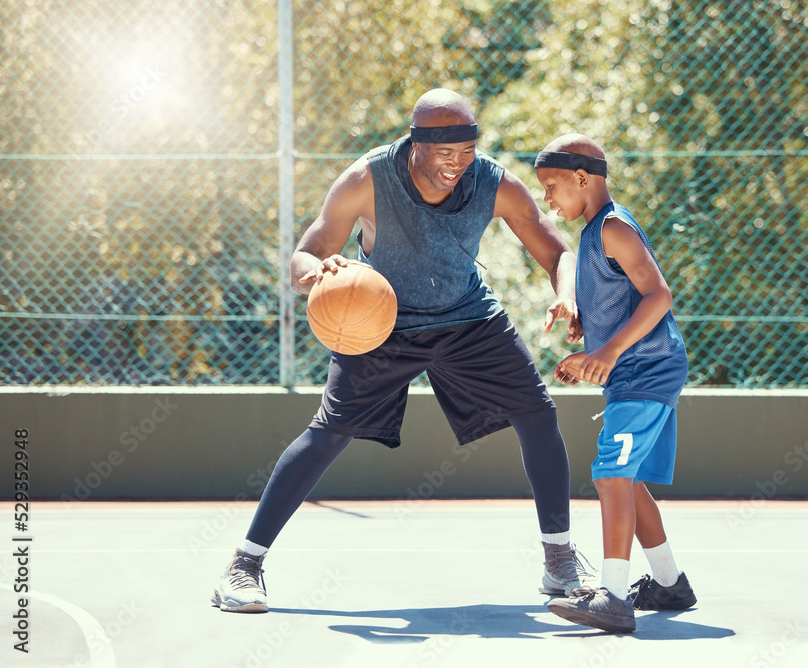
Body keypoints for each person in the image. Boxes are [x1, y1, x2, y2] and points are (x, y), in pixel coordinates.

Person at [211, 89, 590, 613]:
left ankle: (559, 561)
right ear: (416, 143)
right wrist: (315, 275)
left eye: (467, 151)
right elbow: (305, 253)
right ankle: (243, 565)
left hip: (468, 319)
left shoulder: (493, 181)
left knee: (538, 414)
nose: (457, 164)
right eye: (445, 153)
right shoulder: (366, 180)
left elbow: (556, 250)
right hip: (380, 324)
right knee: (329, 433)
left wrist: (567, 295)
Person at [534, 134, 696, 633]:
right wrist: (589, 337)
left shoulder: (614, 227)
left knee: (609, 474)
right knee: (626, 479)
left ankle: (612, 596)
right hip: (633, 369)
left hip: (648, 368)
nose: (547, 199)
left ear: (583, 178)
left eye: (552, 186)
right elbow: (619, 299)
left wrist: (607, 351)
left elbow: (658, 297)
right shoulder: (590, 236)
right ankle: (669, 583)